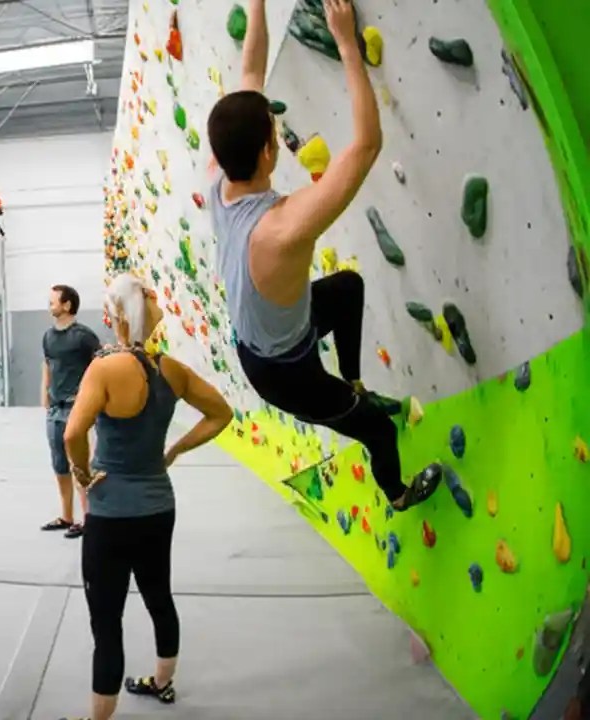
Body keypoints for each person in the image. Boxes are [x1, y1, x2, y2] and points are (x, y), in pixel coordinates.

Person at [206, 0, 442, 511]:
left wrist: (257, 3)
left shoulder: (218, 175)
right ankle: (397, 495)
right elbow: (365, 146)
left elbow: (250, 69)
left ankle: (353, 380)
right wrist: (346, 42)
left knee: (348, 287)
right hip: (282, 373)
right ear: (270, 152)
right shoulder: (283, 228)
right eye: (273, 131)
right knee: (378, 430)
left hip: (278, 330)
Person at [61, 273, 233, 720]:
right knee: (159, 595)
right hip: (159, 507)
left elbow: (73, 433)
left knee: (107, 622)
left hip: (111, 514)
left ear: (116, 315)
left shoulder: (105, 368)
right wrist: (173, 449)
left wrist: (82, 473)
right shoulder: (171, 370)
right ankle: (162, 682)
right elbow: (221, 413)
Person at [40, 284, 102, 539]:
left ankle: (89, 519)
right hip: (55, 409)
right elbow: (46, 365)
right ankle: (66, 516)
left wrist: (92, 400)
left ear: (67, 305)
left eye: (54, 301)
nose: (50, 306)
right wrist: (44, 394)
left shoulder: (84, 336)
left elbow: (100, 366)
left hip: (79, 409)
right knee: (59, 465)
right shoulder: (48, 336)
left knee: (80, 465)